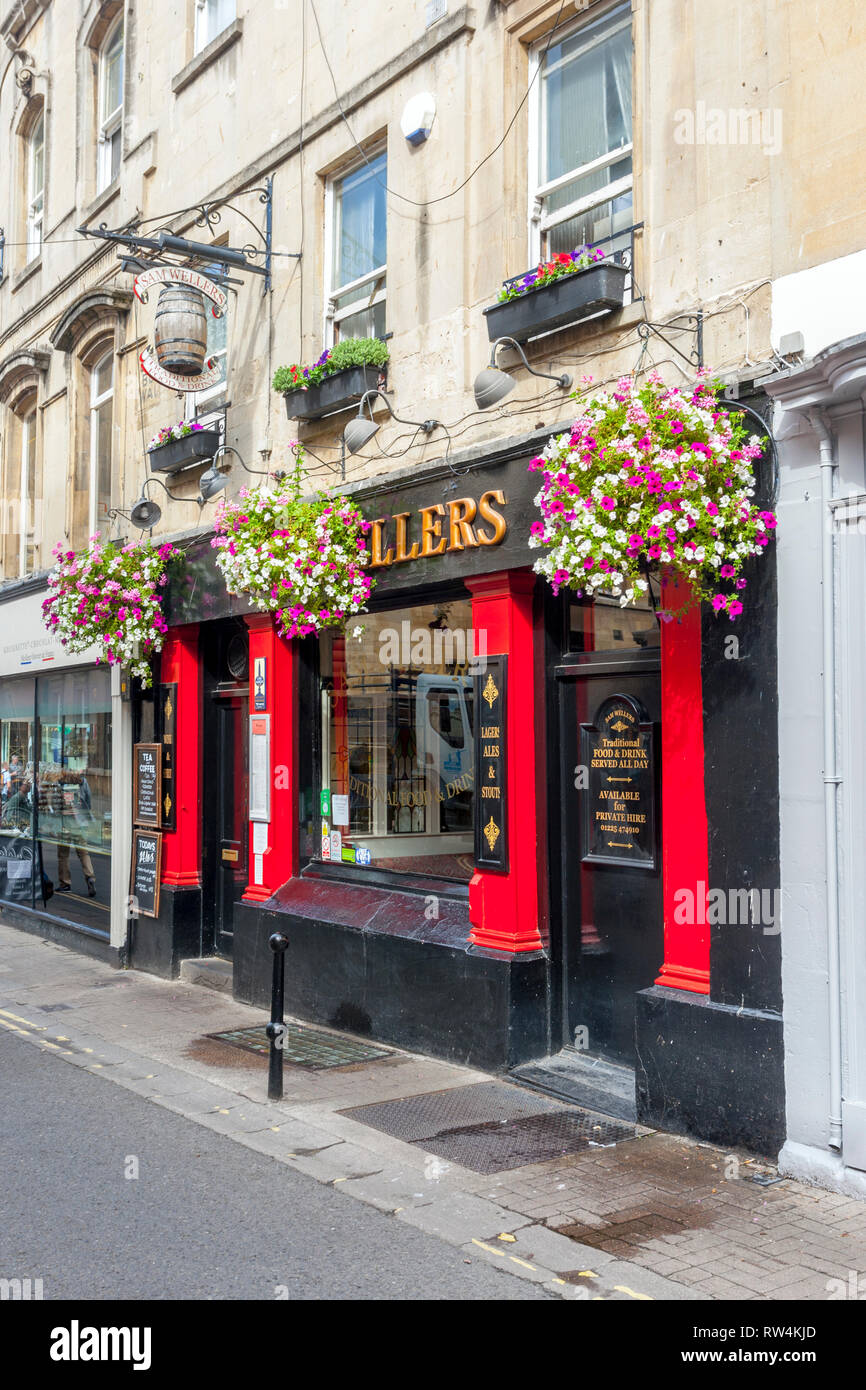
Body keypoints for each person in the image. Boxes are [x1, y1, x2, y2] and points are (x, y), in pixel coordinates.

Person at [54, 773, 96, 898]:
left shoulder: (60, 783)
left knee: (63, 855)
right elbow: (88, 799)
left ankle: (65, 884)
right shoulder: (83, 781)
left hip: (65, 823)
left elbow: (56, 804)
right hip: (80, 823)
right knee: (83, 853)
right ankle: (90, 877)